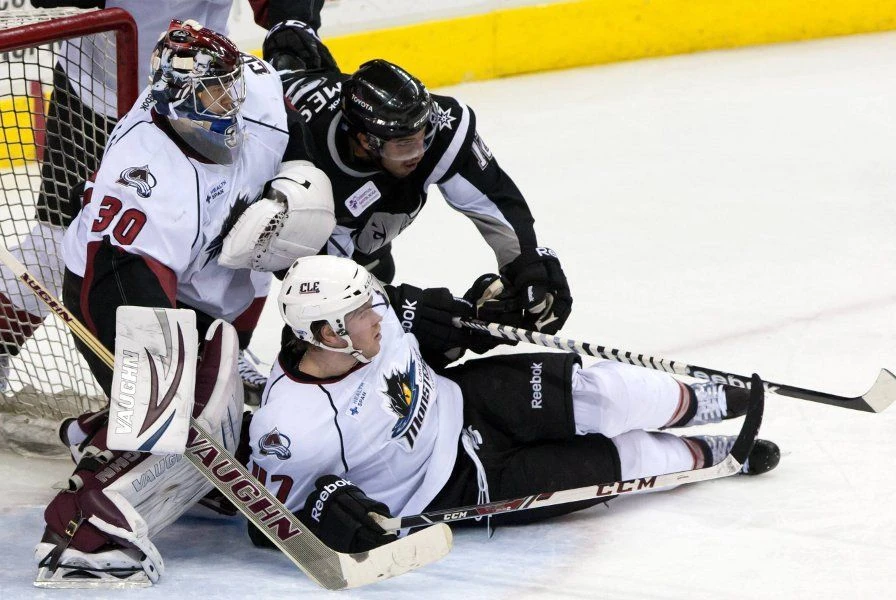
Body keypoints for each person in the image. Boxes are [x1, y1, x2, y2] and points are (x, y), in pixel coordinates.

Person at [31, 19, 332, 585]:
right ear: (177, 98)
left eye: (231, 86)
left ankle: (96, 435)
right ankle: (83, 530)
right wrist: (166, 394)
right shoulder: (144, 176)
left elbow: (302, 110)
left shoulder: (256, 92)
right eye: (214, 92)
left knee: (216, 398)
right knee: (183, 402)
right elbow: (120, 293)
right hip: (110, 285)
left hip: (203, 280)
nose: (231, 102)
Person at [244, 255, 780, 554]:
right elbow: (266, 522)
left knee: (608, 396)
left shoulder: (373, 308)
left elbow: (424, 320)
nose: (376, 316)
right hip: (464, 485)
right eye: (361, 313)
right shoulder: (292, 427)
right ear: (327, 333)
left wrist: (458, 314)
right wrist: (329, 513)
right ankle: (713, 454)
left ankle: (708, 398)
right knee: (616, 464)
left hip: (473, 399)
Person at [0, 0, 278, 395]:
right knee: (56, 246)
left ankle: (220, 354)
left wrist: (295, 29)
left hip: (200, 101)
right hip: (99, 96)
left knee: (246, 233)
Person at [262, 21, 573, 337]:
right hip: (297, 189)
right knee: (342, 326)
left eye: (424, 136)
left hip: (361, 216)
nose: (420, 152)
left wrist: (528, 265)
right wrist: (418, 311)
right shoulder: (310, 175)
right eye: (404, 144)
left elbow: (492, 196)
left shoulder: (433, 127)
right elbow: (316, 287)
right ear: (365, 141)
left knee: (377, 265)